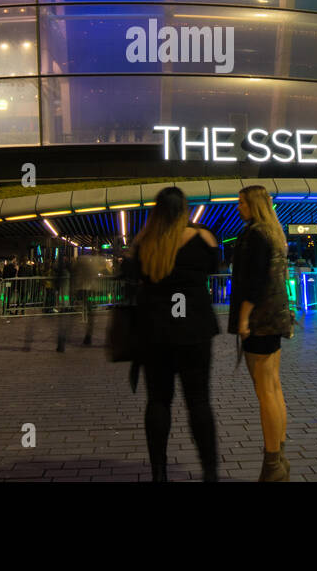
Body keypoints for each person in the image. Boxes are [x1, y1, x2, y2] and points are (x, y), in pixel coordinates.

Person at [125, 187, 220, 482]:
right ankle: (209, 472)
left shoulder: (143, 242)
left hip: (156, 334)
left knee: (158, 401)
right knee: (199, 401)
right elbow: (215, 267)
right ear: (184, 210)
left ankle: (159, 473)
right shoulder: (203, 237)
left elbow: (130, 278)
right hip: (194, 331)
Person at [230, 184, 294, 482]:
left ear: (253, 204)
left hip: (260, 320)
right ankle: (279, 456)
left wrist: (243, 320)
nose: (238, 207)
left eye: (242, 202)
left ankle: (272, 466)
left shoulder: (254, 235)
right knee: (274, 387)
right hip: (276, 318)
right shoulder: (274, 234)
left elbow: (252, 283)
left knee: (265, 391)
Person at [72, 251, 101, 345]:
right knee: (90, 313)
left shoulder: (80, 267)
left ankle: (87, 335)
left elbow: (74, 274)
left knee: (84, 310)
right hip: (88, 290)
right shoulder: (91, 267)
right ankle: (88, 335)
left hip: (82, 290)